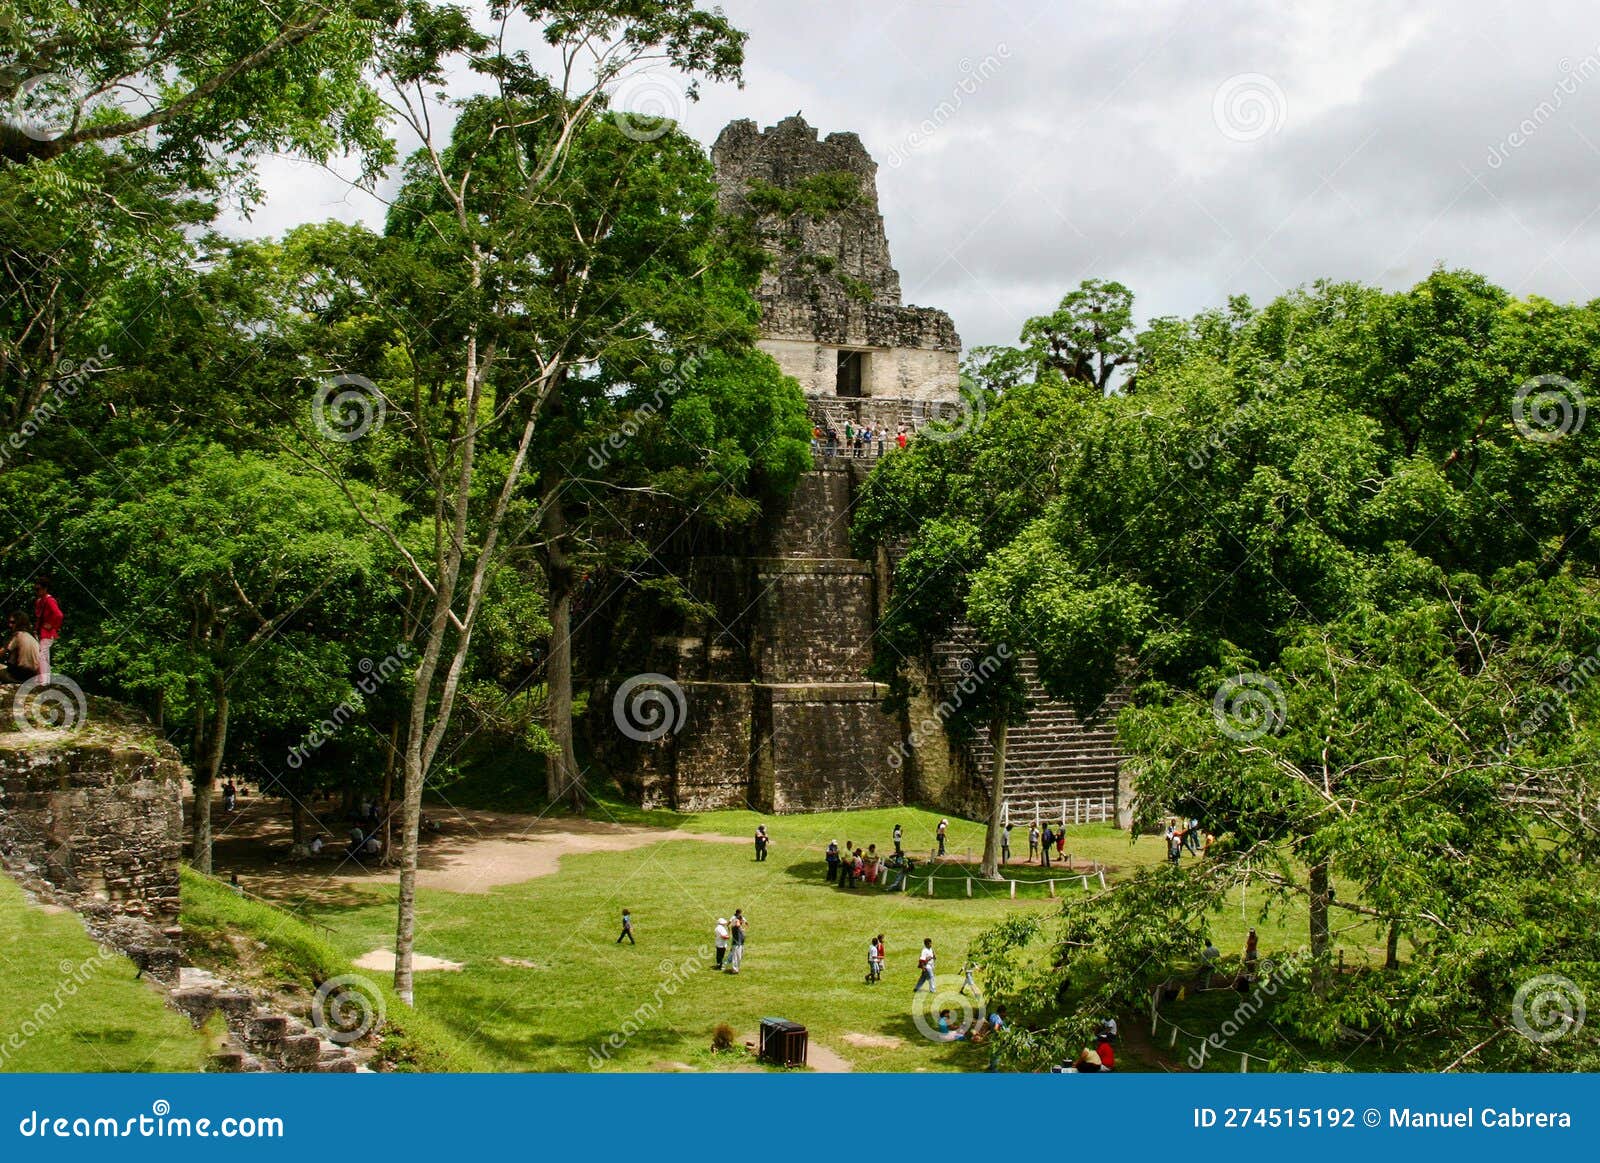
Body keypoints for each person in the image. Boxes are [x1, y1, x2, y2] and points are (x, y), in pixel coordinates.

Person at [33, 579, 61, 684]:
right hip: (40, 632)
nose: (37, 591)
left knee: (42, 655)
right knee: (40, 655)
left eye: (38, 589)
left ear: (45, 589)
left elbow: (59, 615)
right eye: (35, 589)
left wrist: (52, 625)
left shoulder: (50, 600)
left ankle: (44, 680)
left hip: (47, 633)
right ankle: (41, 678)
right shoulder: (39, 601)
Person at [5, 612, 40, 682]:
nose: (10, 625)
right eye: (9, 622)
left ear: (20, 623)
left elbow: (3, 651)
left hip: (21, 674)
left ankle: (14, 681)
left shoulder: (18, 635)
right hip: (34, 675)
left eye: (13, 622)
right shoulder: (33, 637)